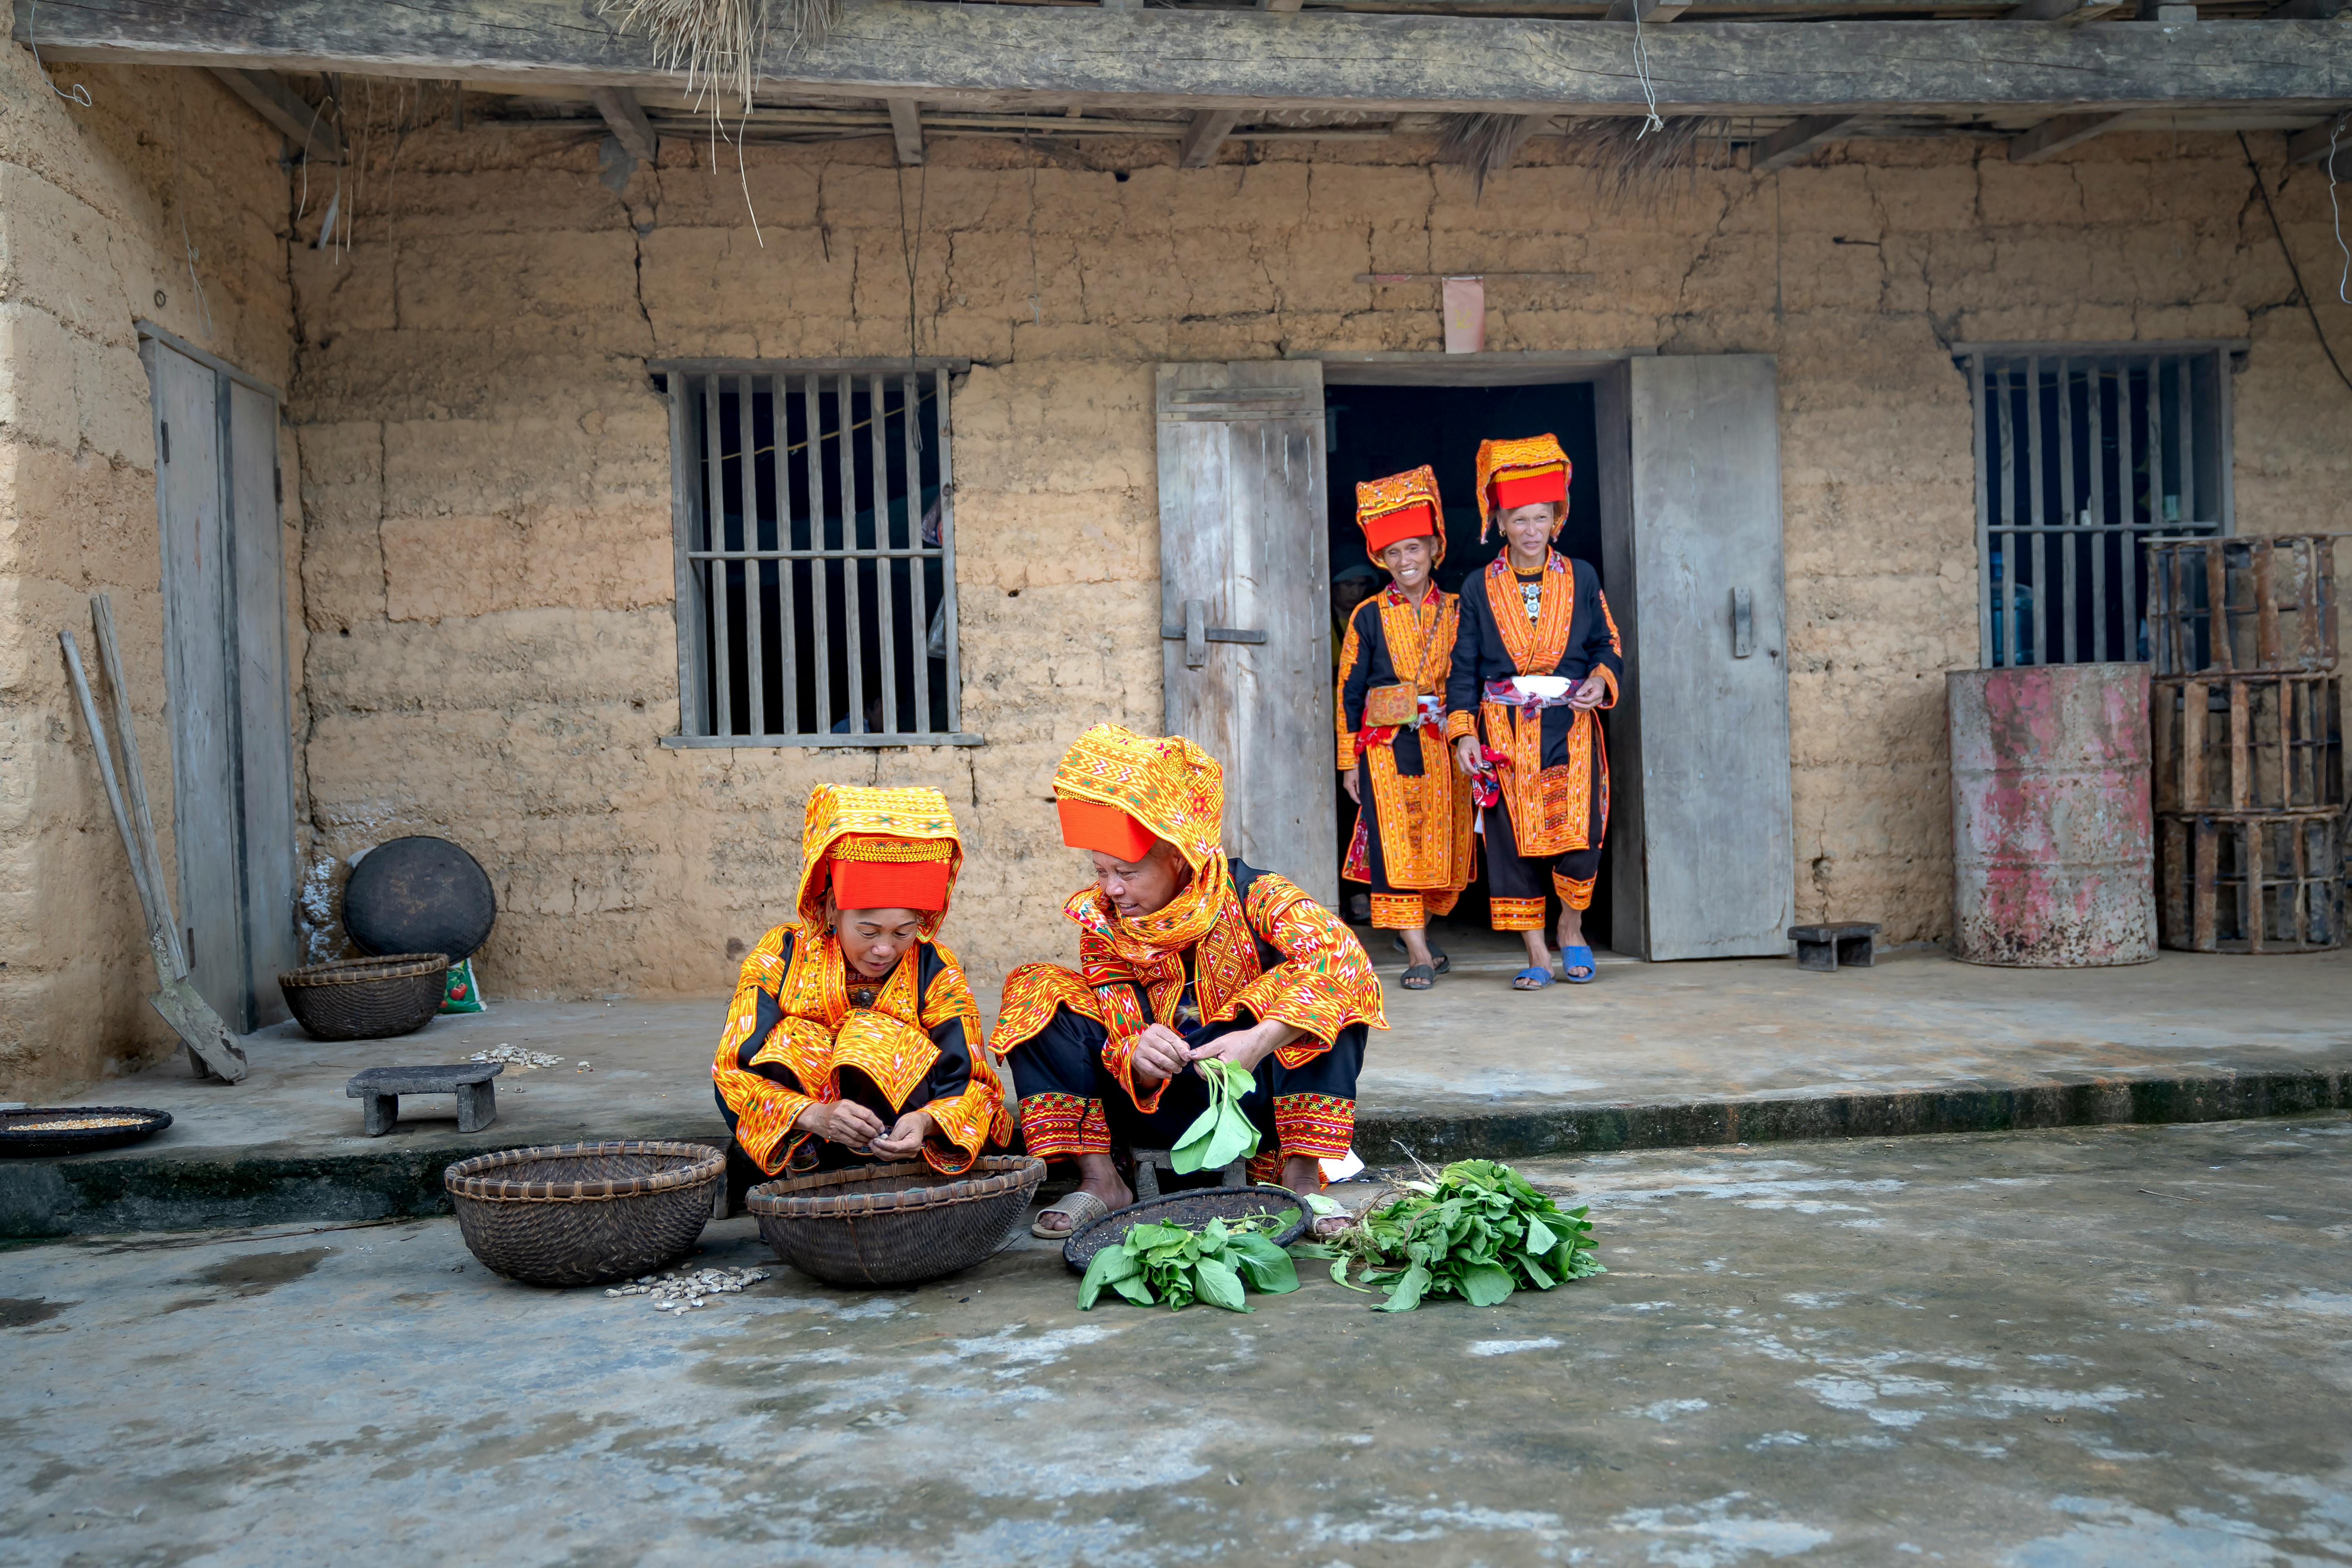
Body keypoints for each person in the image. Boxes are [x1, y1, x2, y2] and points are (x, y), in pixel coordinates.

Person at [993, 723, 1386, 1238]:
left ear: (1178, 856)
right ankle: (1101, 1179)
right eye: (1100, 870)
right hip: (1153, 1103)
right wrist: (1136, 1052)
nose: (1111, 888)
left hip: (1252, 1100)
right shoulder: (1104, 918)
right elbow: (1118, 1019)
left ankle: (1302, 1177)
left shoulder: (1258, 895)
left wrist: (1257, 1039)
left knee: (1330, 981)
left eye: (1127, 873)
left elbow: (1345, 962)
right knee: (1036, 987)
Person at [712, 783, 1008, 1181]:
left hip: (895, 1141)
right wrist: (815, 1115)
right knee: (795, 1038)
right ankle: (807, 1169)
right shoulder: (782, 951)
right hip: (806, 1136)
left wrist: (924, 1123)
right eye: (868, 932)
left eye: (902, 932)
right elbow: (733, 1068)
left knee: (869, 1034)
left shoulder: (934, 964)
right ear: (833, 909)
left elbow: (974, 1082)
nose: (885, 949)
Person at [1444, 434, 1624, 989]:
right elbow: (1463, 667)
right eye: (1517, 519)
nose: (1529, 530)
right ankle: (1538, 955)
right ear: (1499, 522)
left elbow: (1608, 644)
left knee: (1579, 840)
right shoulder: (1478, 587)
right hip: (1502, 731)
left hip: (1570, 728)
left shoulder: (1583, 577)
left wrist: (1599, 679)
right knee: (1511, 845)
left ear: (1556, 520)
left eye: (1539, 518)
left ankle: (1571, 928)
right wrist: (1462, 734)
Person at [1336, 465, 1475, 991]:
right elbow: (1349, 691)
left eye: (1413, 549)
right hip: (1386, 750)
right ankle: (1416, 950)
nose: (1404, 561)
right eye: (1393, 553)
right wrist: (1349, 759)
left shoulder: (1461, 610)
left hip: (1446, 747)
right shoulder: (1368, 616)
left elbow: (1471, 675)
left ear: (1433, 549)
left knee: (1445, 848)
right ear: (1381, 559)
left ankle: (1419, 930)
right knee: (1395, 849)